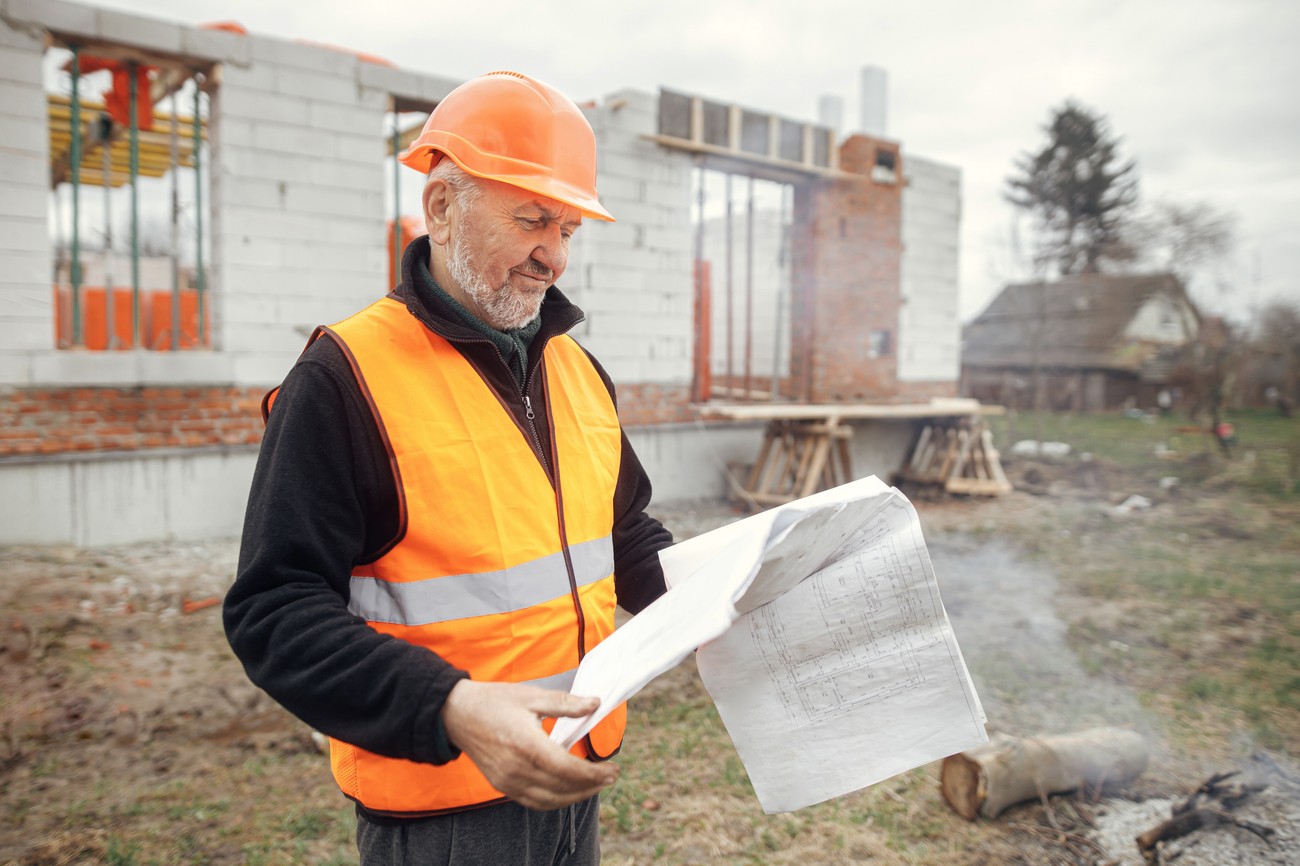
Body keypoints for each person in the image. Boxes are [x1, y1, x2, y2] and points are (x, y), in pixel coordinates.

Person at [223, 71, 674, 865]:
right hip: (444, 812)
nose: (555, 256)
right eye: (533, 219)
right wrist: (451, 706)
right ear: (441, 207)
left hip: (573, 765)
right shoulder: (344, 377)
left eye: (569, 228)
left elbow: (623, 530)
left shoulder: (573, 367)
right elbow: (275, 609)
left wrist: (721, 595)